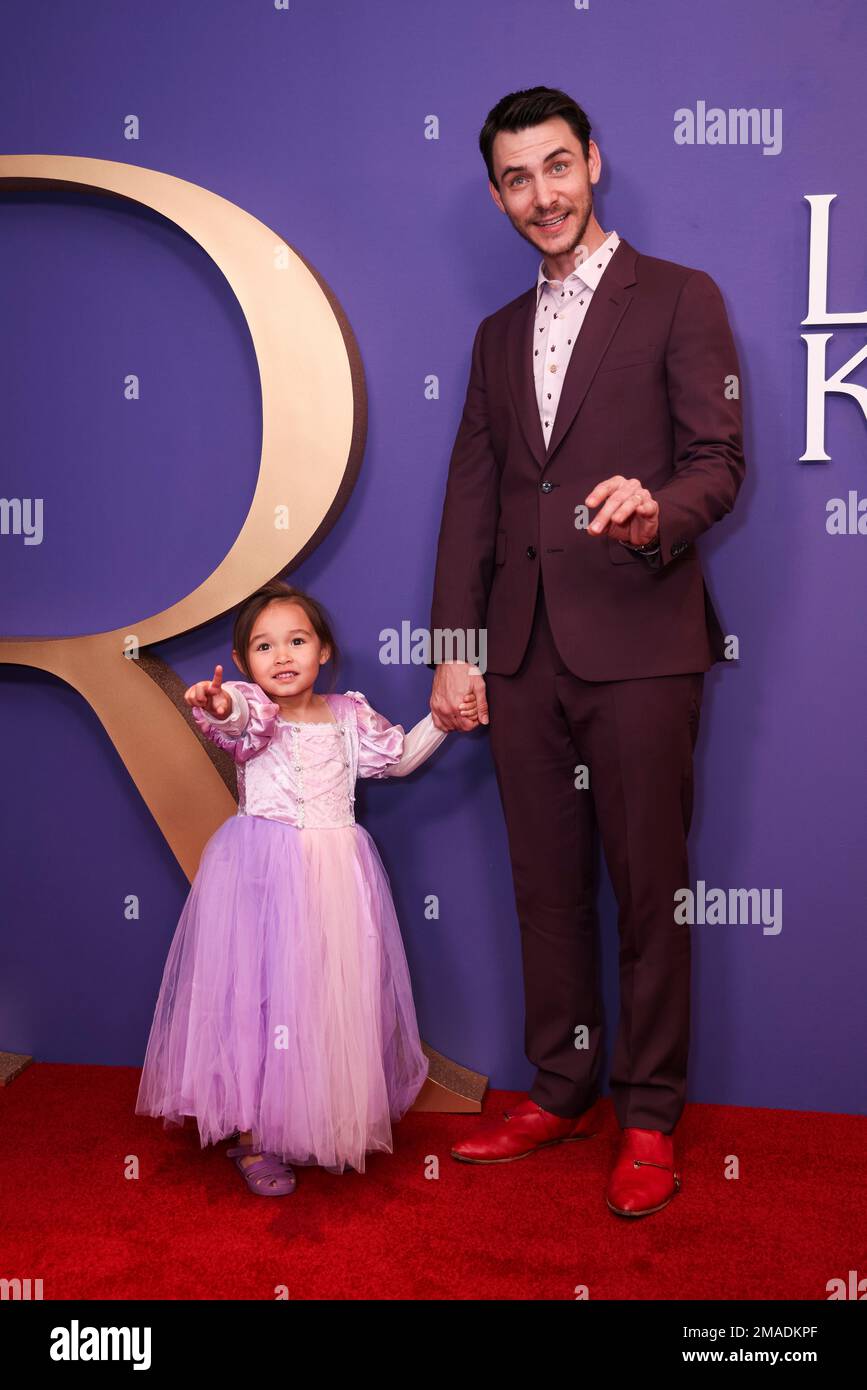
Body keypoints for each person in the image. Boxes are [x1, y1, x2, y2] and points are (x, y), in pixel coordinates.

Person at [428, 87, 745, 1217]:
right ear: (499, 192)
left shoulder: (680, 297)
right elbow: (473, 499)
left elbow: (720, 462)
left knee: (649, 890)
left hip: (643, 642)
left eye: (557, 168)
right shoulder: (494, 336)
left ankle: (649, 1113)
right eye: (516, 179)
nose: (541, 196)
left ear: (594, 163)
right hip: (519, 656)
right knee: (545, 890)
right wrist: (458, 646)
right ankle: (561, 1089)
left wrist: (656, 510)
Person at [135, 579, 478, 1195]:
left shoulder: (348, 714)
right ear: (243, 665)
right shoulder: (254, 713)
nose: (283, 656)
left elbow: (396, 758)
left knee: (323, 996)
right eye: (264, 648)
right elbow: (235, 720)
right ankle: (252, 1137)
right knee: (259, 997)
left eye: (297, 641)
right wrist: (218, 706)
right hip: (261, 875)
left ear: (323, 652)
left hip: (337, 873)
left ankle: (311, 1119)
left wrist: (442, 722)